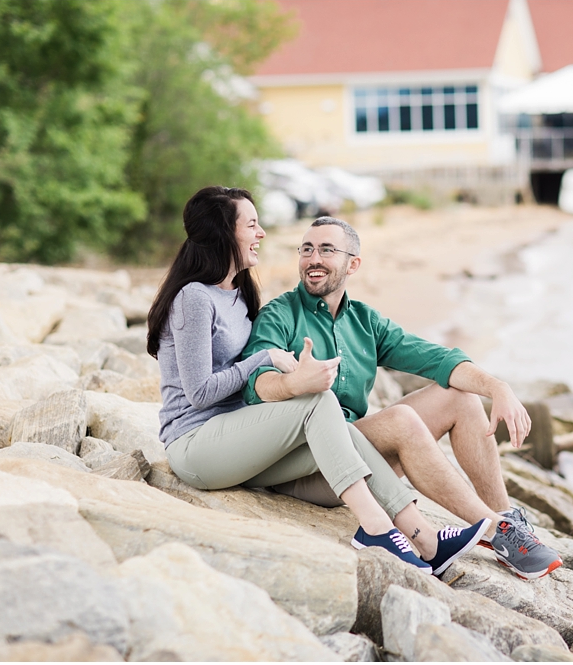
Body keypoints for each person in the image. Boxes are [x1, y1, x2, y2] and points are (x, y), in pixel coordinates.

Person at [146, 186, 488, 576]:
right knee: (318, 400)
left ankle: (425, 538)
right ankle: (375, 528)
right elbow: (200, 392)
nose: (261, 234)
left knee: (342, 431)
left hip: (243, 446)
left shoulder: (239, 293)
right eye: (252, 225)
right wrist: (266, 358)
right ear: (224, 232)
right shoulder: (194, 296)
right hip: (196, 445)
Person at [241, 216, 563, 580]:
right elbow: (257, 384)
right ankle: (489, 528)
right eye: (307, 249)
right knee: (399, 420)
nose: (313, 259)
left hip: (359, 459)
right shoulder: (279, 315)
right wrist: (294, 383)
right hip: (305, 466)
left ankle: (506, 525)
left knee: (462, 398)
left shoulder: (364, 321)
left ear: (353, 264)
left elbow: (438, 360)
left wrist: (497, 387)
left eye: (327, 250)